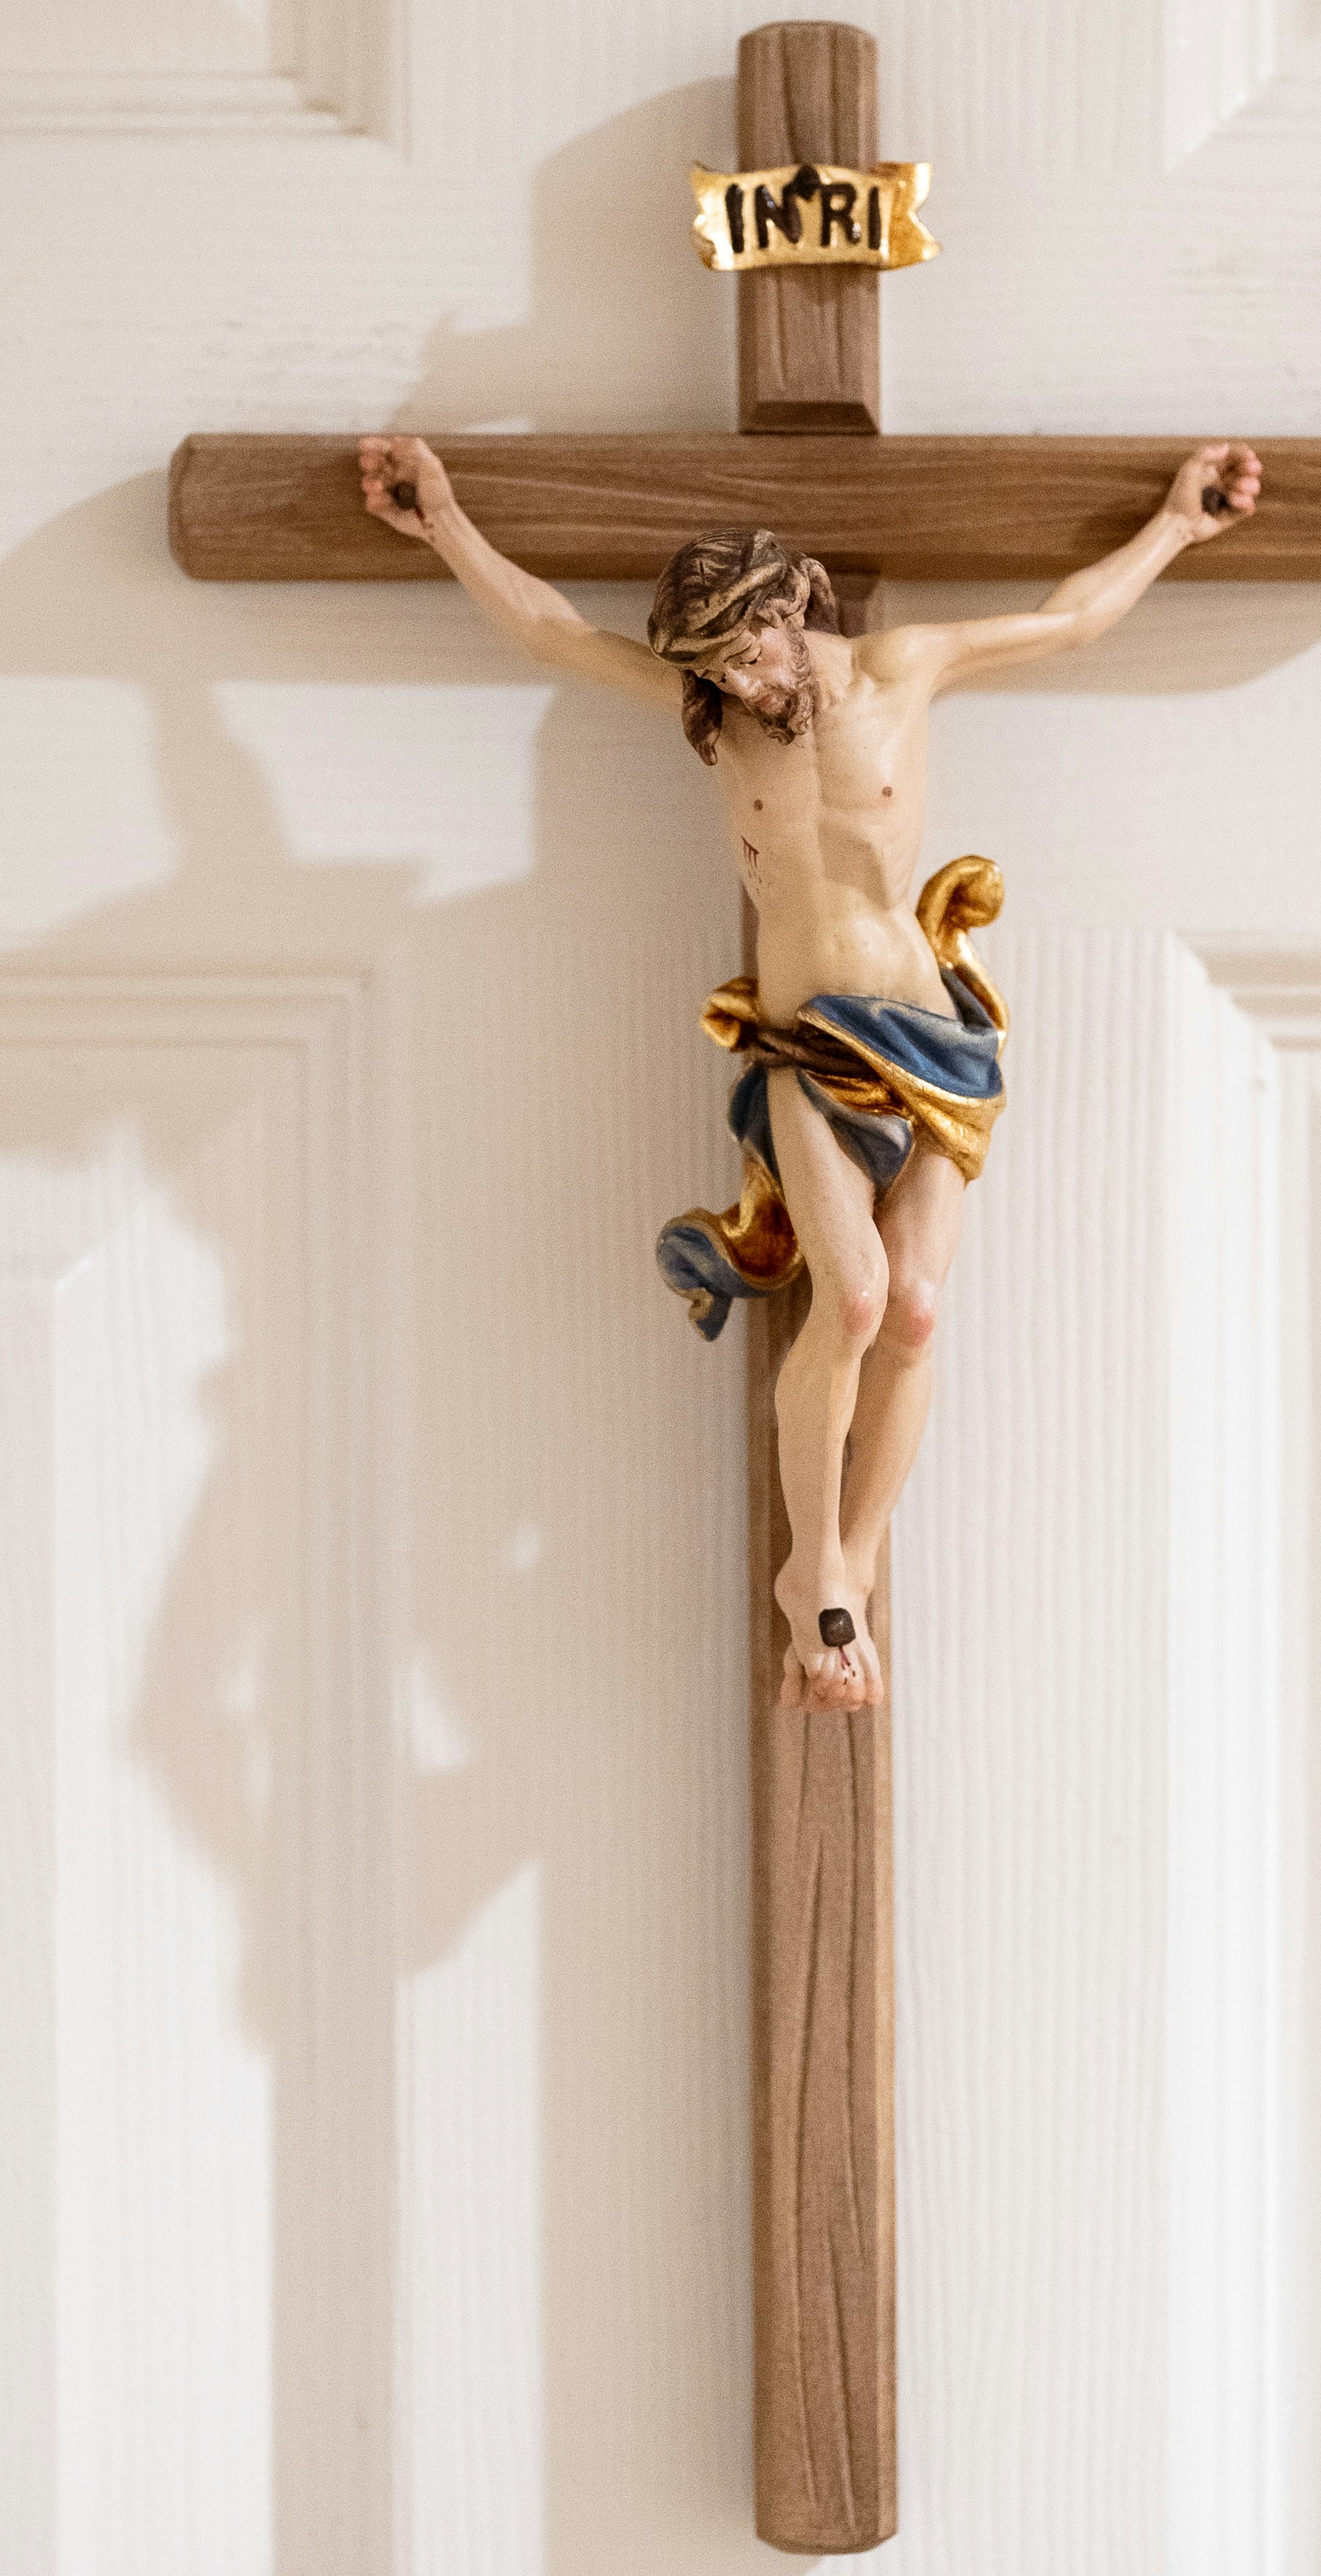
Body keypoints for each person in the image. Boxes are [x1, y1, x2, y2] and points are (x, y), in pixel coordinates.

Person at [356, 430, 1261, 1712]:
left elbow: (1066, 624)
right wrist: (444, 522)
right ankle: (812, 1568)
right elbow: (554, 633)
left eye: (747, 645)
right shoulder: (722, 729)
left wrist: (1177, 524)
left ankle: (855, 1560)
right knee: (849, 1300)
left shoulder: (902, 669)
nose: (733, 674)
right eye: (711, 662)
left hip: (936, 1043)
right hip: (807, 1045)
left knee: (918, 1311)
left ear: (796, 608)